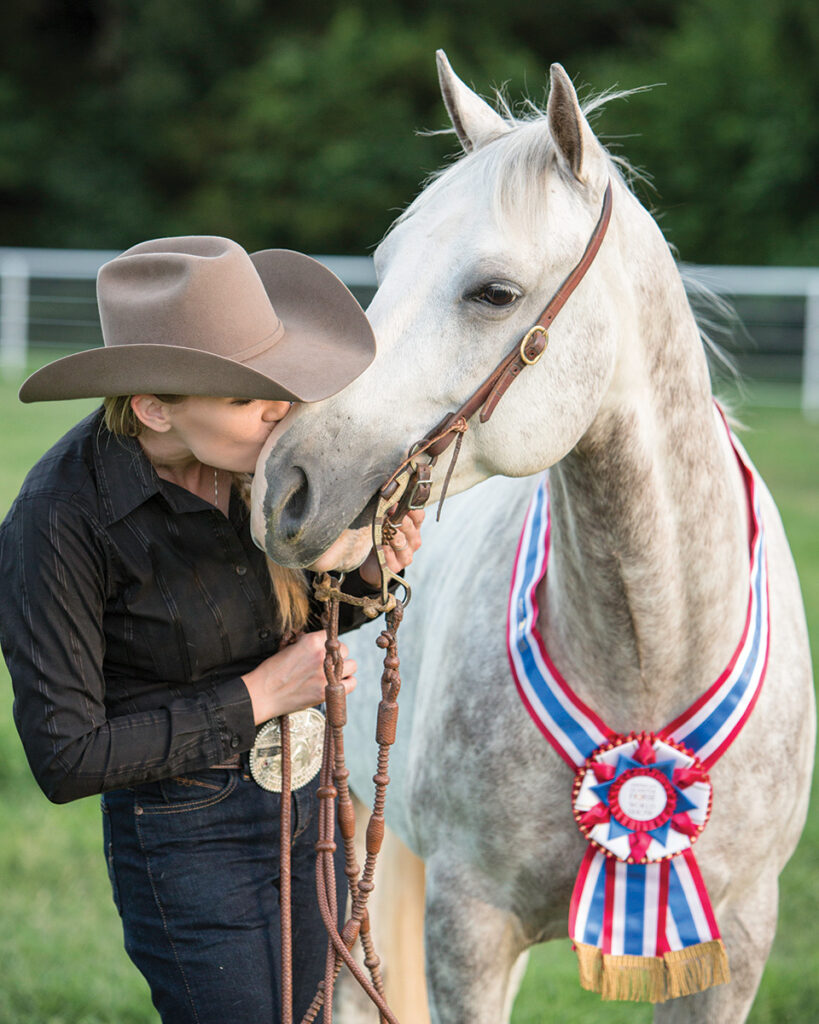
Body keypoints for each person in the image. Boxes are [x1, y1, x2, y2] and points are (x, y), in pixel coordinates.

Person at [0, 236, 423, 1023]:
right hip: (186, 841)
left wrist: (370, 573)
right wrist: (260, 694)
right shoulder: (58, 521)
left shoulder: (262, 471)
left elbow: (315, 621)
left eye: (281, 389)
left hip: (312, 808)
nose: (282, 412)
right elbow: (66, 756)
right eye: (244, 397)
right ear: (156, 406)